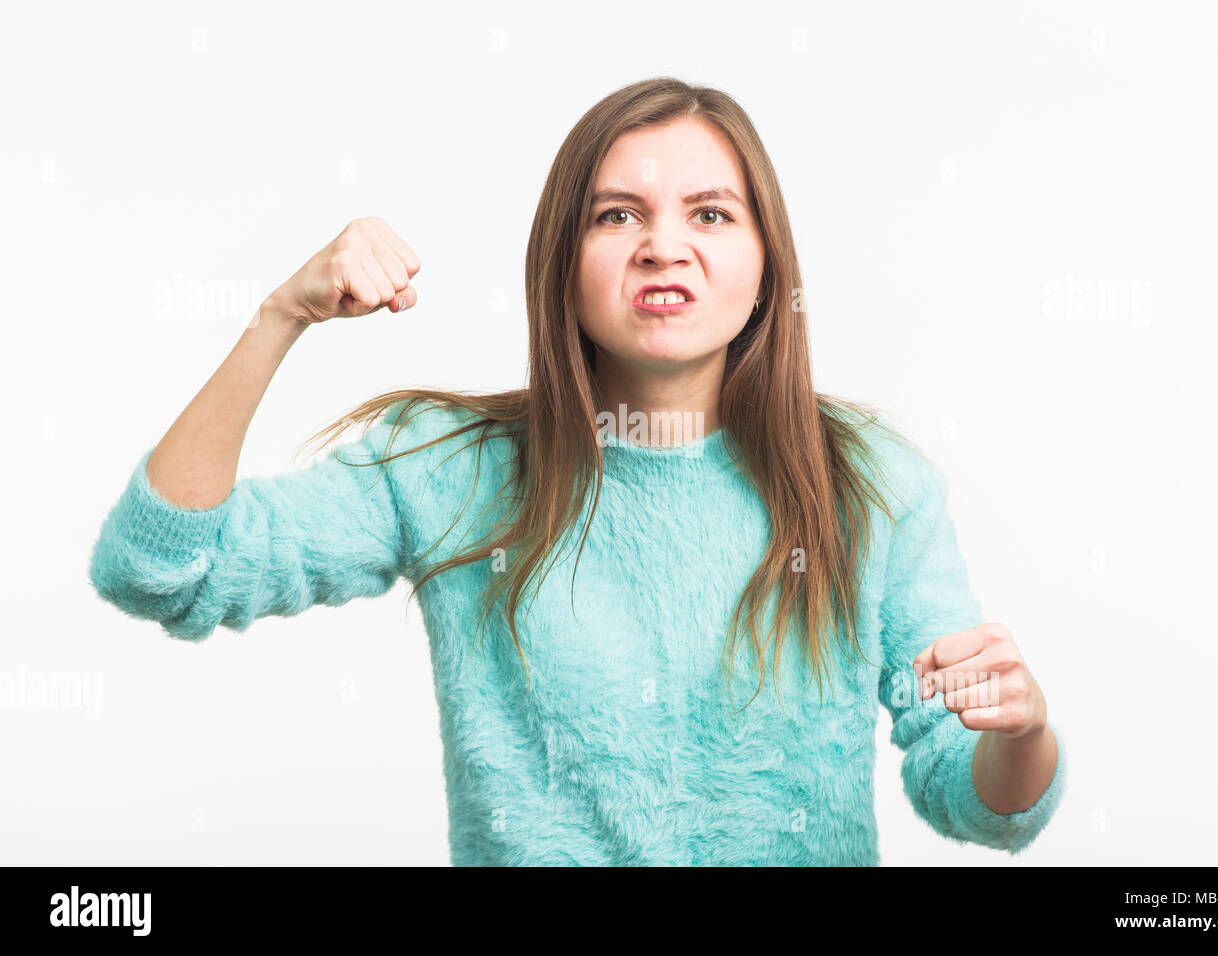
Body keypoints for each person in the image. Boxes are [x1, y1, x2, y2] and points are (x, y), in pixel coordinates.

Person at [88, 76, 1066, 866]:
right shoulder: (446, 468)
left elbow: (980, 803)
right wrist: (280, 317)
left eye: (712, 214)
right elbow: (163, 565)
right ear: (562, 258)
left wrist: (1019, 731)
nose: (663, 245)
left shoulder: (872, 483)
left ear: (768, 259)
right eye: (616, 215)